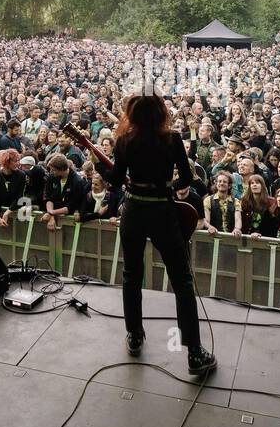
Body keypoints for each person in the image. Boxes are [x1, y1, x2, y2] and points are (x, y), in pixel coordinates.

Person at [92, 93, 216, 376]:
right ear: (161, 113)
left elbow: (114, 179)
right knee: (182, 280)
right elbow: (186, 178)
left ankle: (134, 335)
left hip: (134, 211)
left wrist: (99, 163)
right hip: (162, 210)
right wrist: (167, 187)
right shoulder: (171, 139)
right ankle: (195, 353)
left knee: (131, 275)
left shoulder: (125, 141)